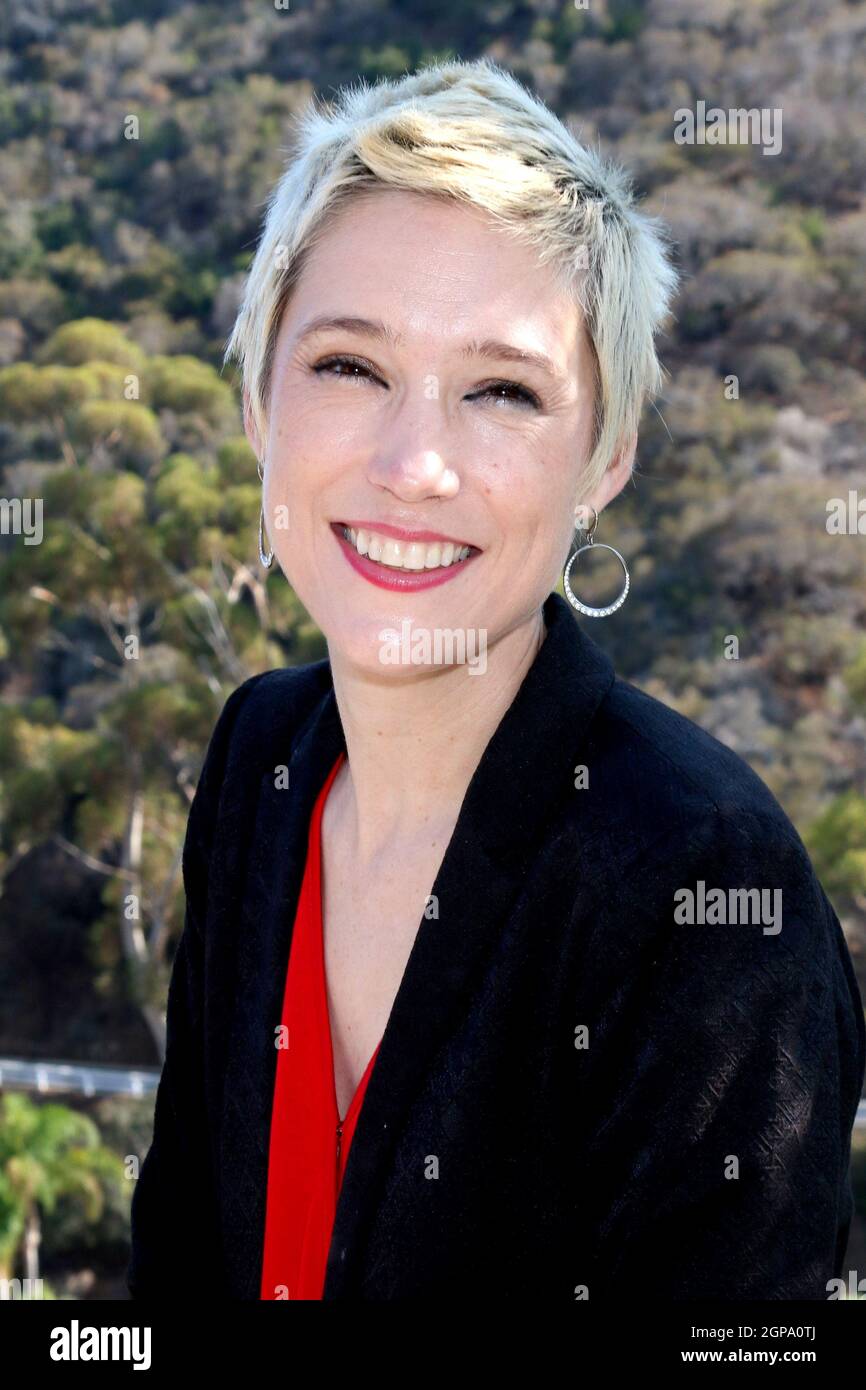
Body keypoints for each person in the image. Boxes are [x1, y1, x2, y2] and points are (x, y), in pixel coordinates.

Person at [127, 57, 865, 1301]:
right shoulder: (259, 756)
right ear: (259, 400)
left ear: (605, 458)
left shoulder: (700, 881)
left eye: (502, 390)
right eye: (350, 366)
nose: (414, 463)